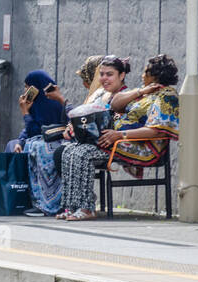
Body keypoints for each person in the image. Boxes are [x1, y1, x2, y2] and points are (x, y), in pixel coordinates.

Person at [55, 55, 143, 221]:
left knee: (81, 154)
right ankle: (71, 206)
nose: (104, 78)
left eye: (109, 74)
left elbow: (130, 123)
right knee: (67, 152)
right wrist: (73, 126)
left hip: (116, 144)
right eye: (102, 74)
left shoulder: (128, 96)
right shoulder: (100, 95)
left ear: (121, 75)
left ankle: (87, 208)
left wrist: (114, 133)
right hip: (96, 143)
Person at [21, 57, 102, 216]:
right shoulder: (94, 95)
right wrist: (21, 138)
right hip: (74, 138)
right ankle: (20, 197)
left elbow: (74, 119)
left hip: (83, 139)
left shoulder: (104, 96)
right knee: (19, 145)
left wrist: (60, 100)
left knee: (45, 149)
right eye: (102, 74)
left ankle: (55, 203)